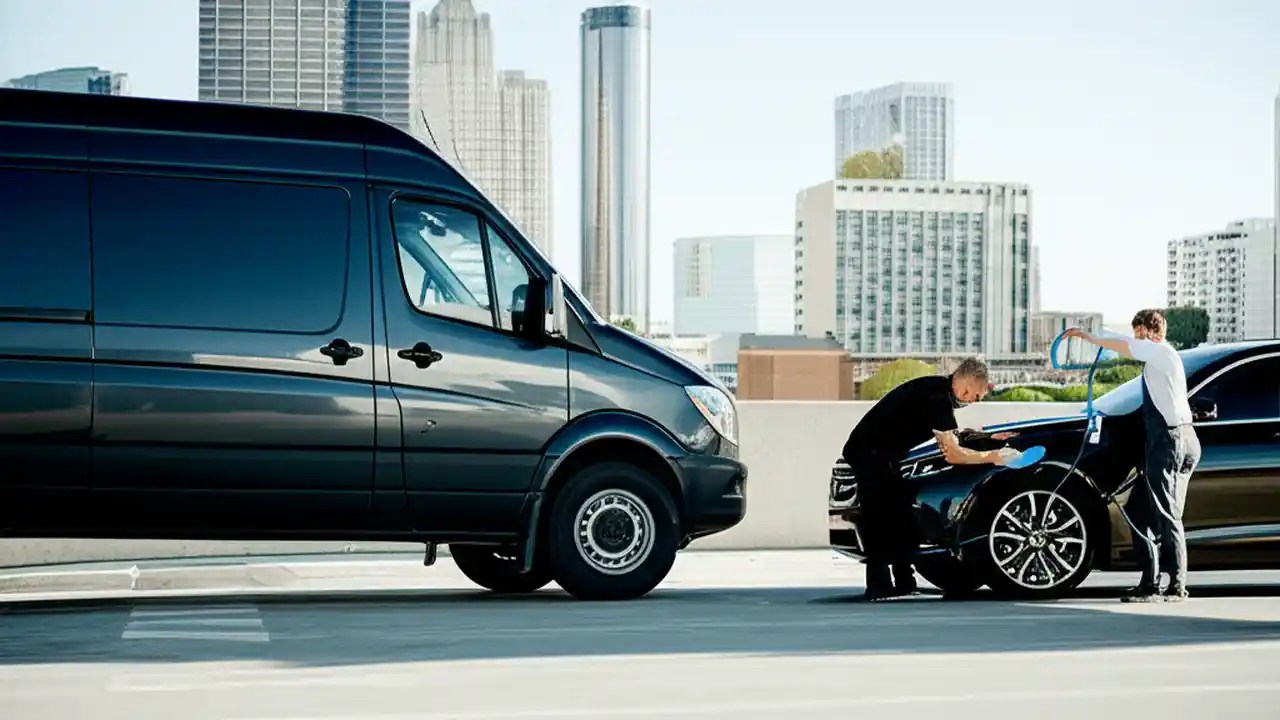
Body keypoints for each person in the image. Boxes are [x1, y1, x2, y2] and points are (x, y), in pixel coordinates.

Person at [841, 357, 1014, 601]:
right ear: (967, 383)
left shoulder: (936, 391)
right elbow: (953, 453)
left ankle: (903, 580)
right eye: (976, 396)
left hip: (883, 453)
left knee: (901, 508)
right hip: (869, 453)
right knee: (880, 513)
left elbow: (953, 436)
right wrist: (992, 456)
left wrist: (989, 438)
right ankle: (878, 584)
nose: (975, 401)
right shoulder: (936, 398)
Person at [1064, 310, 1200, 603]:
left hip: (1170, 439)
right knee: (1142, 509)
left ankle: (1175, 586)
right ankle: (1152, 583)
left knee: (1166, 512)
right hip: (1181, 437)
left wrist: (1088, 337)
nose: (1136, 340)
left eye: (1139, 333)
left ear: (1152, 332)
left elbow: (1124, 346)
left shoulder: (1161, 353)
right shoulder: (1161, 360)